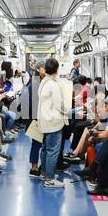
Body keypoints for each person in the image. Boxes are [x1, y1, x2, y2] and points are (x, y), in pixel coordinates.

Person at [37, 58, 68, 188]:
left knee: (45, 148)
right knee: (52, 150)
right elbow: (59, 104)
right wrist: (68, 111)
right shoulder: (53, 85)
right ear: (56, 70)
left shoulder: (43, 82)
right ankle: (49, 179)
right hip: (53, 121)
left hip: (44, 120)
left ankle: (44, 173)